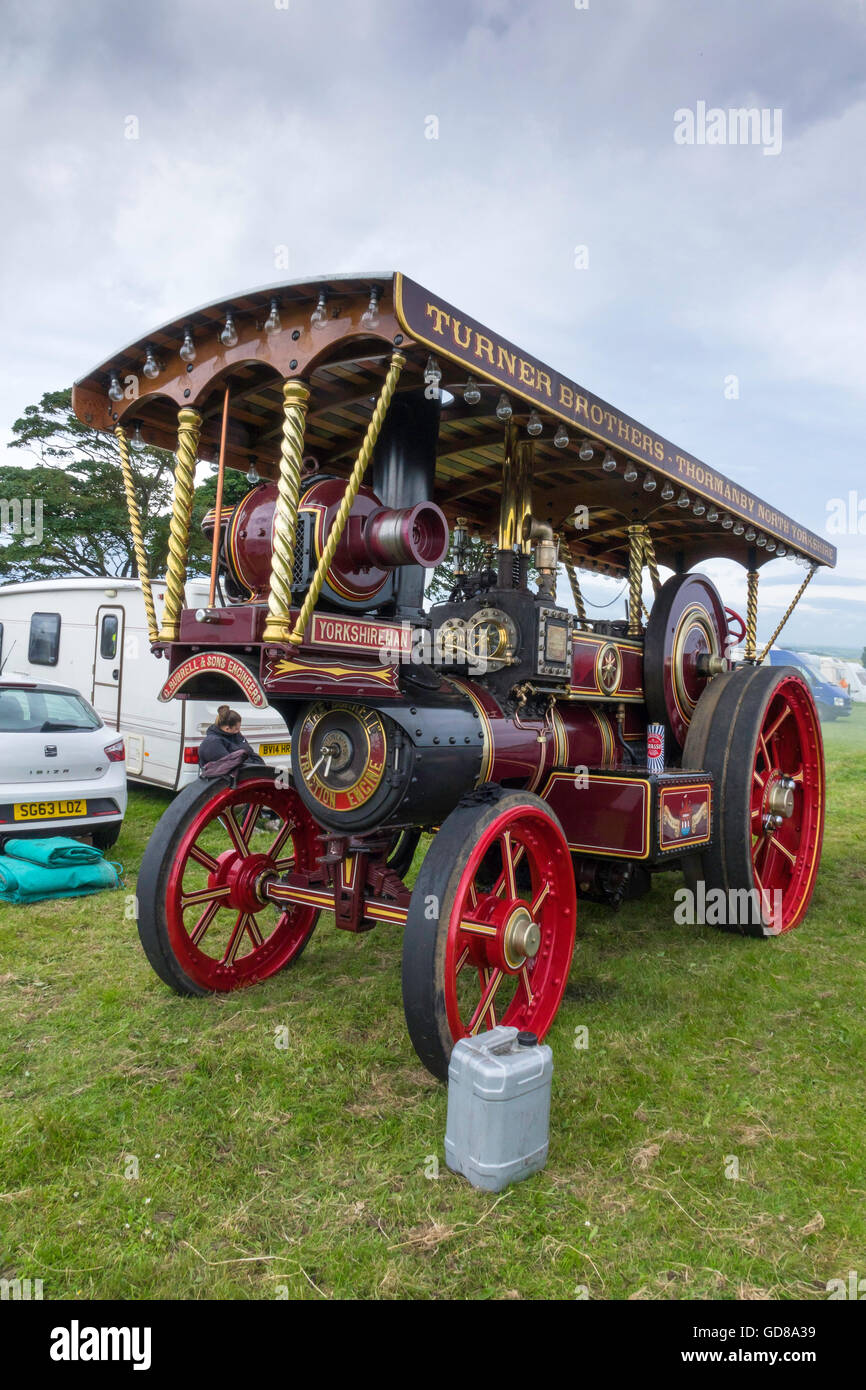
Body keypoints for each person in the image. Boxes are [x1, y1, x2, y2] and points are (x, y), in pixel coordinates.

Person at [198, 706, 264, 768]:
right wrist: (255, 764)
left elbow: (250, 752)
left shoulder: (235, 734)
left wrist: (259, 764)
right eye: (236, 729)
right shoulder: (212, 742)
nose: (238, 730)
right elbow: (230, 764)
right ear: (227, 728)